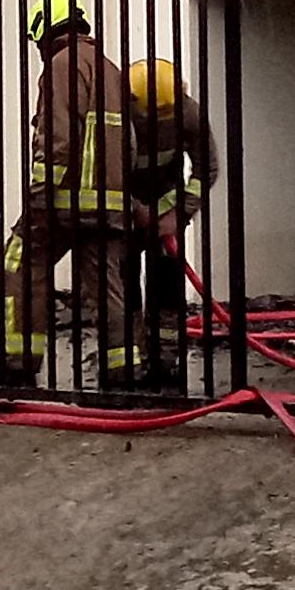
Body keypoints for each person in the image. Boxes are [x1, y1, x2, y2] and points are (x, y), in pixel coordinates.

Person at [1, 0, 136, 388]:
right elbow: (127, 141)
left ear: (46, 31)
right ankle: (121, 372)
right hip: (110, 206)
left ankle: (19, 365)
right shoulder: (109, 68)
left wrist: (40, 200)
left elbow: (56, 140)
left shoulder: (61, 66)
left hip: (65, 202)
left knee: (21, 261)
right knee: (107, 286)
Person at [125, 58, 219, 387]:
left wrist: (178, 215)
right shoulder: (117, 115)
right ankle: (129, 359)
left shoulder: (188, 113)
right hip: (123, 216)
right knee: (122, 289)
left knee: (166, 286)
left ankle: (166, 358)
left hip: (167, 216)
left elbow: (206, 169)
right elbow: (100, 172)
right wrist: (134, 210)